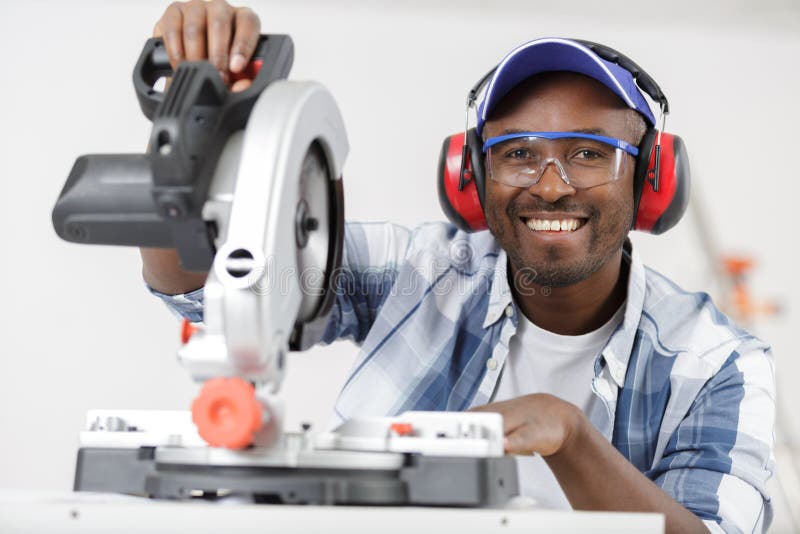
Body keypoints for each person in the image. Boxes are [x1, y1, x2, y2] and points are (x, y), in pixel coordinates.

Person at [141, 2, 776, 533]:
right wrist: (190, 128)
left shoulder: (718, 363)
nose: (551, 187)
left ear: (652, 180)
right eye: (517, 152)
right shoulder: (415, 274)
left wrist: (571, 438)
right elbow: (206, 282)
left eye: (589, 152)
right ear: (469, 178)